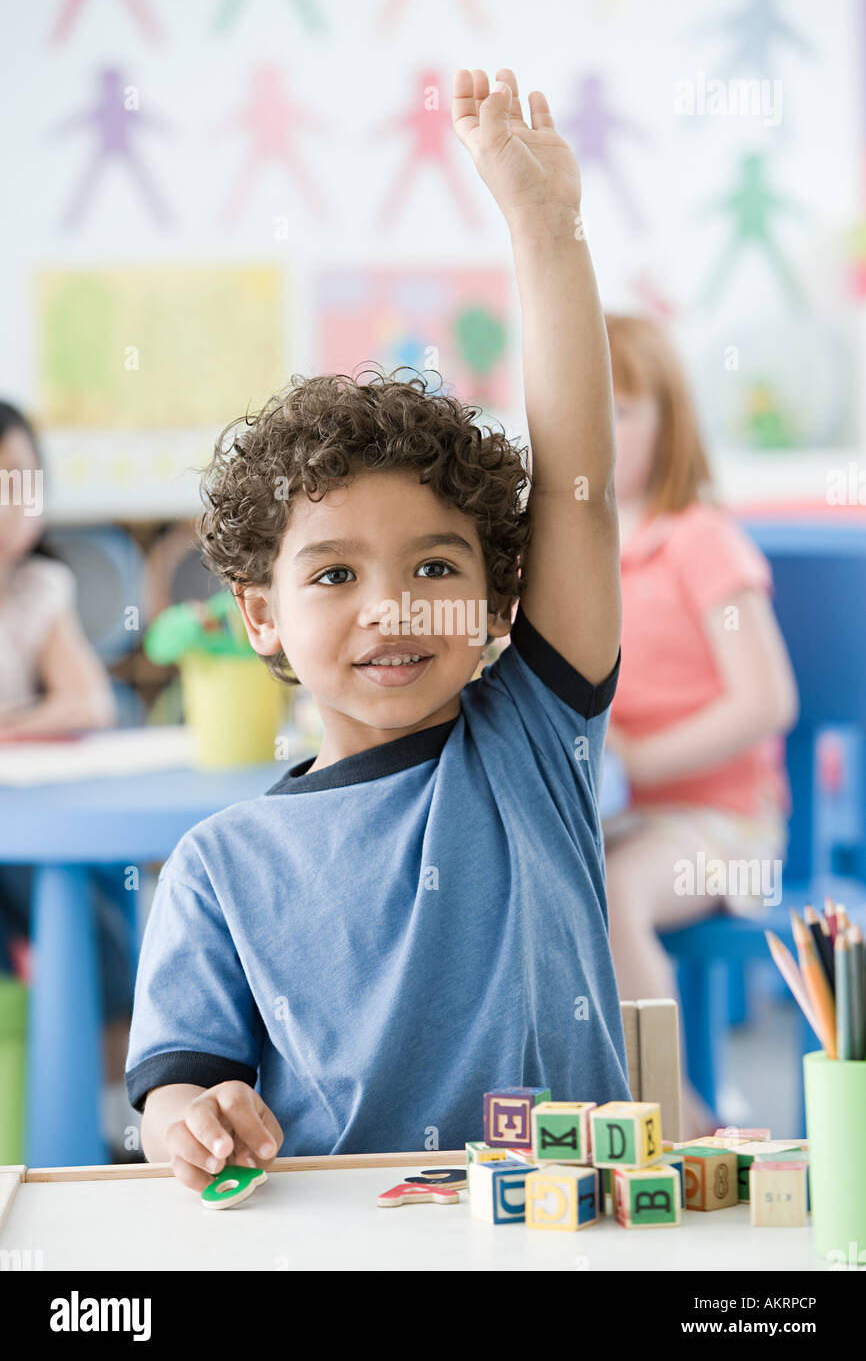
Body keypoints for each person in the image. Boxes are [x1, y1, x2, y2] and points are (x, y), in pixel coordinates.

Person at [126, 68, 630, 1187]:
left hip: (567, 1233)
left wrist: (546, 229)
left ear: (500, 599)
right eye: (335, 572)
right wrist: (193, 1119)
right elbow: (171, 1085)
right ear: (259, 615)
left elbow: (578, 489)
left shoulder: (533, 742)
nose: (390, 606)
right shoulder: (219, 867)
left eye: (434, 565)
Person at [601, 314, 799, 1139]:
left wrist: (640, 753)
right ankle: (596, 1105)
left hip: (733, 829)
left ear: (668, 420)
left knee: (611, 893)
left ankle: (681, 1123)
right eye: (580, 411)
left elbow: (766, 700)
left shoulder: (698, 541)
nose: (598, 434)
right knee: (532, 882)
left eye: (620, 411)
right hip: (631, 815)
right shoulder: (578, 553)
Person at [0, 401, 134, 1156]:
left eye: (20, 482)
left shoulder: (35, 592)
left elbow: (88, 702)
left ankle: (117, 1119)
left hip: (32, 820)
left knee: (97, 904)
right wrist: (30, 717)